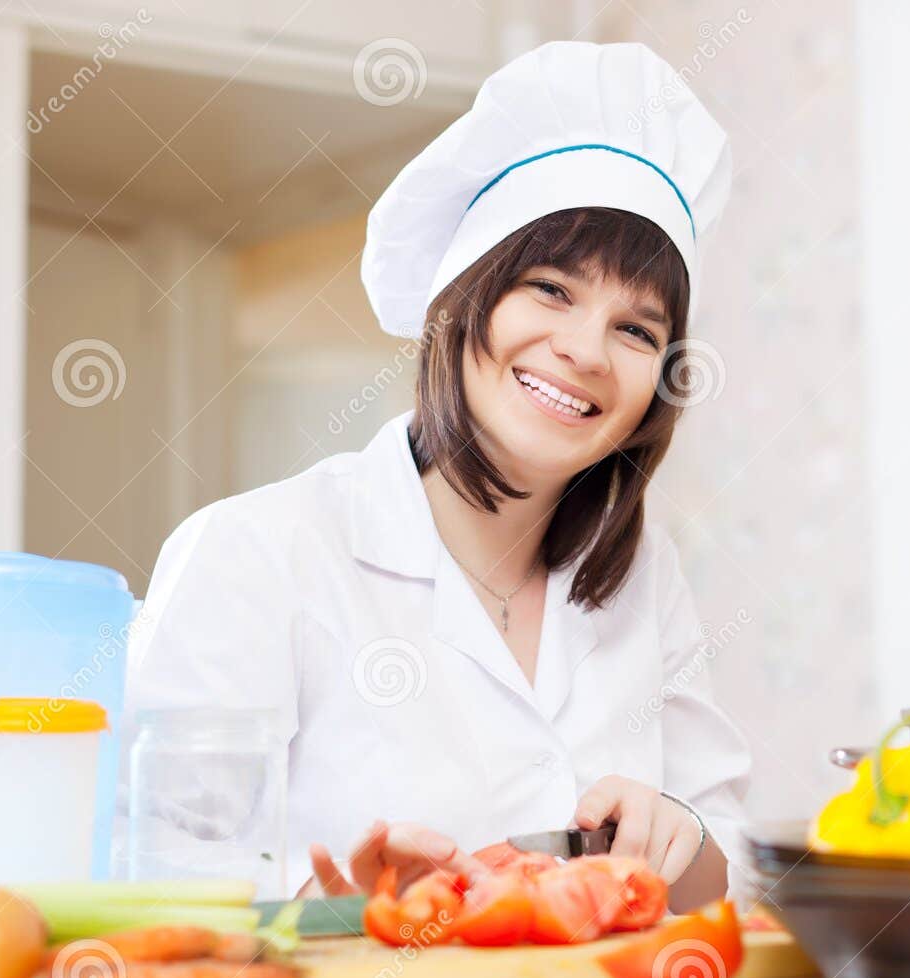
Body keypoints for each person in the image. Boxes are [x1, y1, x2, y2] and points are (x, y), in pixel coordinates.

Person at [126, 40, 750, 910]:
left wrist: (674, 831)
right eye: (551, 290)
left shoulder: (643, 576)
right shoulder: (255, 553)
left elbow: (729, 881)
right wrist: (340, 910)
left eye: (638, 331)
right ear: (461, 302)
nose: (584, 352)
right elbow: (159, 878)